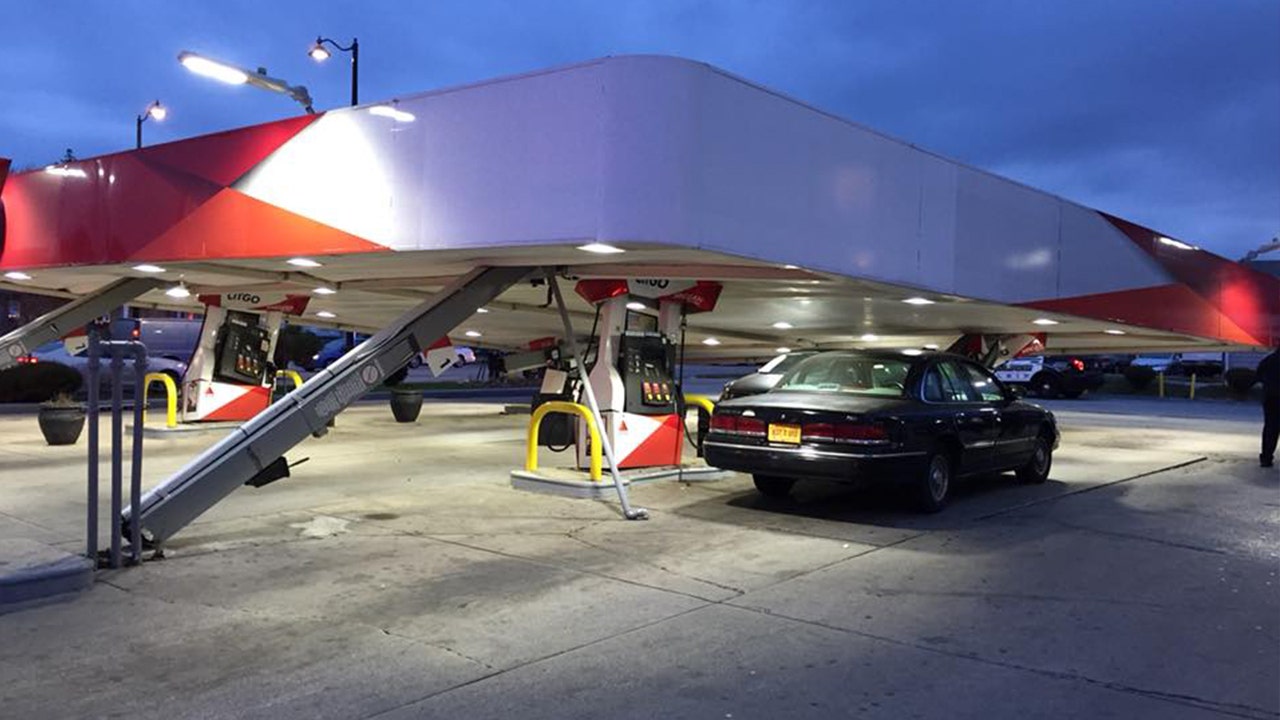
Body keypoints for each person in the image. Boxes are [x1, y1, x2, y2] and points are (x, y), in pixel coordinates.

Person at [1259, 348, 1279, 468]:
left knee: (1270, 428)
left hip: (1270, 398)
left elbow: (1259, 374)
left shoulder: (1269, 359)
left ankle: (1266, 458)